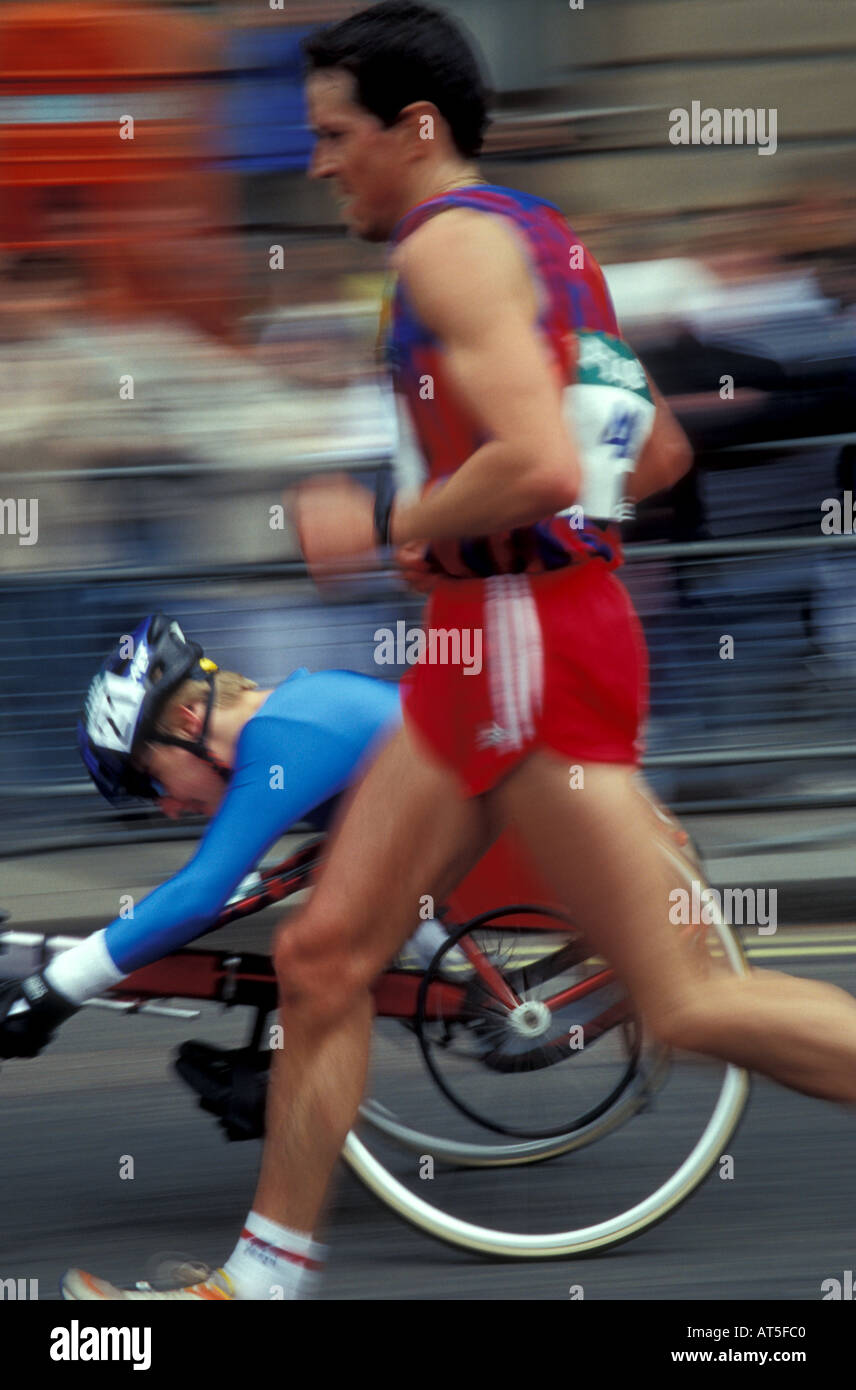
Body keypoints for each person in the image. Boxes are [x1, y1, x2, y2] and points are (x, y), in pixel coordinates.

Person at [57, 0, 856, 1301]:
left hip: (526, 652)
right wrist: (473, 529)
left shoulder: (445, 251)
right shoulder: (544, 237)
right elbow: (649, 452)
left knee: (685, 1003)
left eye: (334, 135)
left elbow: (536, 462)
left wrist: (396, 519)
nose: (316, 163)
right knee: (323, 958)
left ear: (415, 127)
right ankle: (257, 1282)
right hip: (483, 647)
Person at [0, 613, 458, 1063]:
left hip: (467, 829)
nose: (168, 808)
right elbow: (233, 891)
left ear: (187, 721)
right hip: (445, 836)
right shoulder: (290, 715)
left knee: (307, 954)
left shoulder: (281, 734)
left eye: (153, 780)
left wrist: (54, 989)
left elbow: (198, 896)